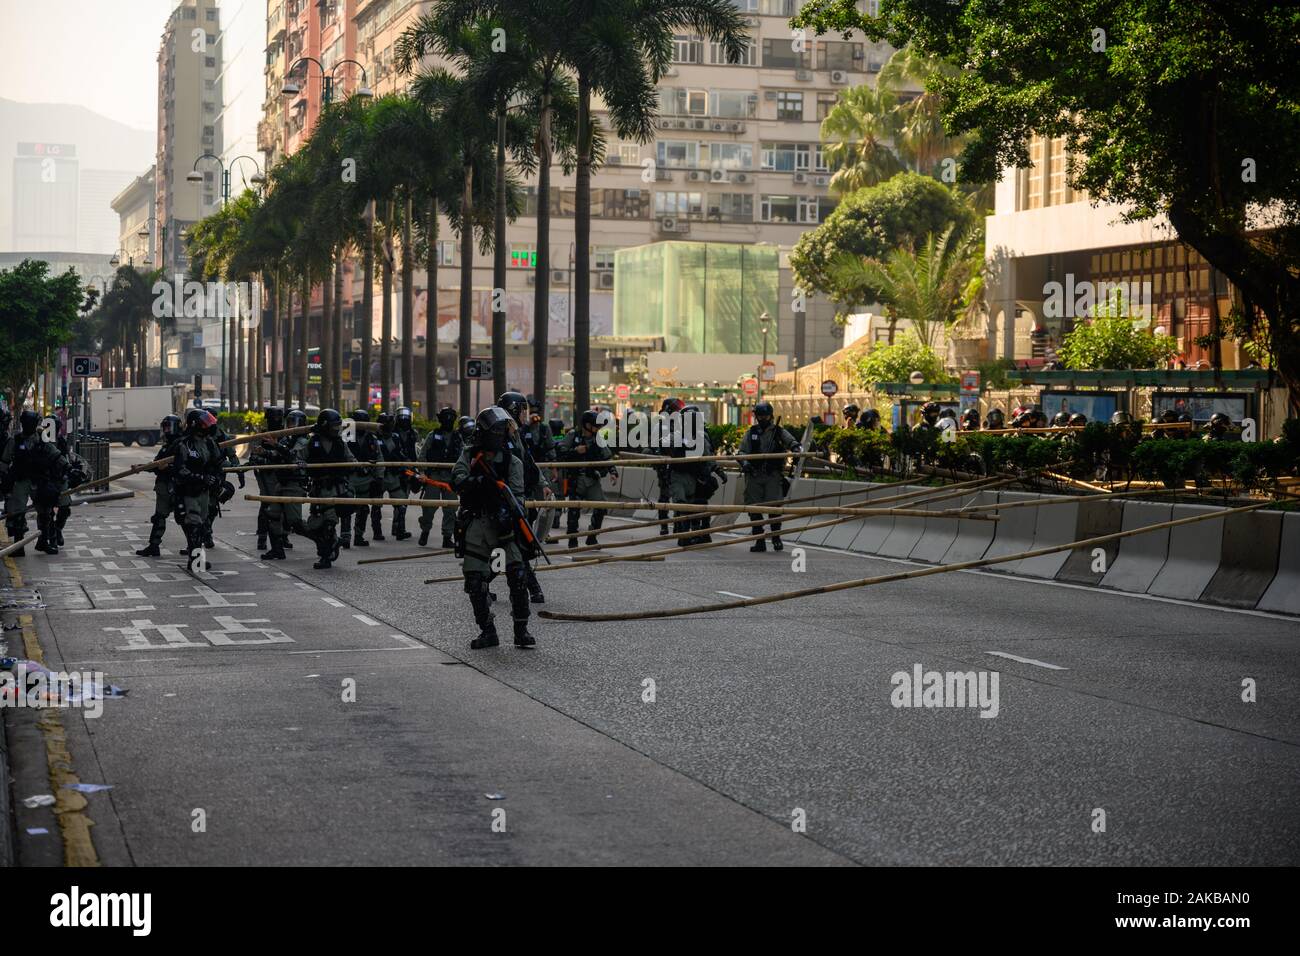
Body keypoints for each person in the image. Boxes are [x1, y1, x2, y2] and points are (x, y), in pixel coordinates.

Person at [450, 406, 536, 650]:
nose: (501, 436)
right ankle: (488, 630)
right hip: (477, 522)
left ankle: (521, 629)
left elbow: (518, 496)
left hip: (505, 526)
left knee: (518, 576)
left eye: (503, 432)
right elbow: (457, 480)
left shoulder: (512, 460)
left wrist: (507, 511)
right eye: (496, 432)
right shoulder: (469, 455)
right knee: (475, 581)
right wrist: (477, 482)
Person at [498, 391, 550, 602]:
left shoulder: (516, 434)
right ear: (512, 411)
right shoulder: (497, 435)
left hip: (522, 497)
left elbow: (528, 462)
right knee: (515, 545)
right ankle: (531, 587)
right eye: (522, 410)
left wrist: (543, 484)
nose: (525, 415)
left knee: (517, 545)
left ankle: (483, 583)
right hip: (505, 500)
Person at [1, 412, 68, 556]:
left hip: (38, 480)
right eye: (26, 423)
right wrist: (3, 477)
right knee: (17, 513)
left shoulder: (41, 439)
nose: (28, 426)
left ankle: (43, 542)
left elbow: (55, 455)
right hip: (20, 480)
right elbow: (4, 461)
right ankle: (18, 546)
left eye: (31, 423)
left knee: (45, 512)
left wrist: (68, 467)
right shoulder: (16, 440)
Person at [738, 401, 800, 552]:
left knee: (775, 508)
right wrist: (745, 463)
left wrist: (796, 449)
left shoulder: (778, 432)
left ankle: (776, 538)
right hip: (754, 474)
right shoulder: (751, 433)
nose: (763, 419)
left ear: (771, 416)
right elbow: (741, 452)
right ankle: (759, 540)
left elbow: (792, 442)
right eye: (760, 416)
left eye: (765, 416)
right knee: (754, 509)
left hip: (773, 475)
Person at [297, 409, 355, 569]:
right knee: (314, 526)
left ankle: (325, 557)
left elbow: (351, 460)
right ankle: (333, 543)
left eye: (338, 427)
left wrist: (356, 466)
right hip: (318, 490)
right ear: (324, 426)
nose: (336, 430)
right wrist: (301, 466)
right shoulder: (313, 441)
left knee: (329, 523)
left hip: (335, 490)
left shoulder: (340, 443)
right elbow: (299, 457)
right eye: (333, 427)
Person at [173, 408, 225, 572]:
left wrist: (217, 479)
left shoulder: (209, 442)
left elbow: (218, 463)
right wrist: (200, 477)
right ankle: (195, 561)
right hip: (189, 490)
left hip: (205, 491)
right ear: (195, 424)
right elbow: (180, 470)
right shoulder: (184, 444)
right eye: (204, 423)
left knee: (202, 525)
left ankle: (196, 558)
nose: (207, 426)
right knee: (193, 524)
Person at [557, 410, 616, 548]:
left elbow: (607, 457)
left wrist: (613, 472)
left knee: (601, 507)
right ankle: (572, 538)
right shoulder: (573, 436)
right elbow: (560, 452)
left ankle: (592, 536)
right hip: (576, 479)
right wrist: (575, 451)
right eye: (595, 425)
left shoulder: (598, 439)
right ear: (587, 425)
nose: (597, 428)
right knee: (573, 510)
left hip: (592, 480)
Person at [260, 408, 309, 560]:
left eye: (293, 423)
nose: (290, 426)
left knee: (295, 523)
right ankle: (277, 550)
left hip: (294, 484)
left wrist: (277, 446)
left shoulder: (304, 442)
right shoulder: (285, 440)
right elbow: (277, 455)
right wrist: (264, 453)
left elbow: (293, 456)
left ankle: (325, 542)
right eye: (288, 422)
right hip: (281, 483)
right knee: (272, 515)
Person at [136, 414, 184, 557]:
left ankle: (194, 547)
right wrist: (142, 467)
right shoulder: (166, 447)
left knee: (185, 519)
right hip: (163, 487)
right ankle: (154, 546)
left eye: (169, 427)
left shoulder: (182, 445)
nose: (167, 430)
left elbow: (185, 466)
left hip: (178, 487)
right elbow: (156, 465)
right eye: (165, 427)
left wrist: (168, 468)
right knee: (159, 517)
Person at [681, 404, 726, 545]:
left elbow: (708, 456)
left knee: (698, 504)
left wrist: (718, 471)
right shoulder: (684, 435)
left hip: (701, 475)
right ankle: (697, 533)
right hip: (689, 475)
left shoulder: (700, 436)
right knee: (690, 505)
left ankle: (702, 533)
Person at [416, 405, 461, 549]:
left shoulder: (457, 438)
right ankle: (425, 531)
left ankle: (447, 537)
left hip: (450, 479)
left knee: (451, 509)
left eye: (450, 418)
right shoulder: (432, 435)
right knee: (429, 507)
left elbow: (463, 458)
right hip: (433, 478)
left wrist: (460, 476)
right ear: (441, 419)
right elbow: (422, 455)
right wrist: (422, 472)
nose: (448, 420)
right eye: (445, 418)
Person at [340, 408, 383, 549]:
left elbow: (379, 458)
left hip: (366, 478)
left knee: (363, 509)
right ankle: (345, 536)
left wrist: (379, 478)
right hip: (350, 477)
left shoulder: (372, 438)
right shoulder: (346, 436)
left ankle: (359, 535)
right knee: (347, 506)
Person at [249, 406, 285, 552]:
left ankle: (282, 537)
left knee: (282, 506)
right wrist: (264, 462)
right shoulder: (262, 436)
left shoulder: (285, 435)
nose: (275, 421)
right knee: (266, 506)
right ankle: (262, 538)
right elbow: (254, 456)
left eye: (277, 418)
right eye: (273, 419)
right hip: (266, 474)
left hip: (281, 474)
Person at [654, 397, 686, 535]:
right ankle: (663, 524)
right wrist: (659, 456)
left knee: (679, 496)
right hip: (664, 465)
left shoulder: (683, 426)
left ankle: (678, 523)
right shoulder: (660, 427)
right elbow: (653, 446)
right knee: (665, 495)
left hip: (679, 465)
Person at [389, 406, 418, 540]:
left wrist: (416, 468)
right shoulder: (392, 434)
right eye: (403, 418)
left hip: (409, 469)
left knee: (403, 501)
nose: (405, 420)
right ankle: (398, 528)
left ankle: (398, 528)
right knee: (400, 501)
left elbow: (415, 452)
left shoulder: (413, 434)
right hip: (395, 470)